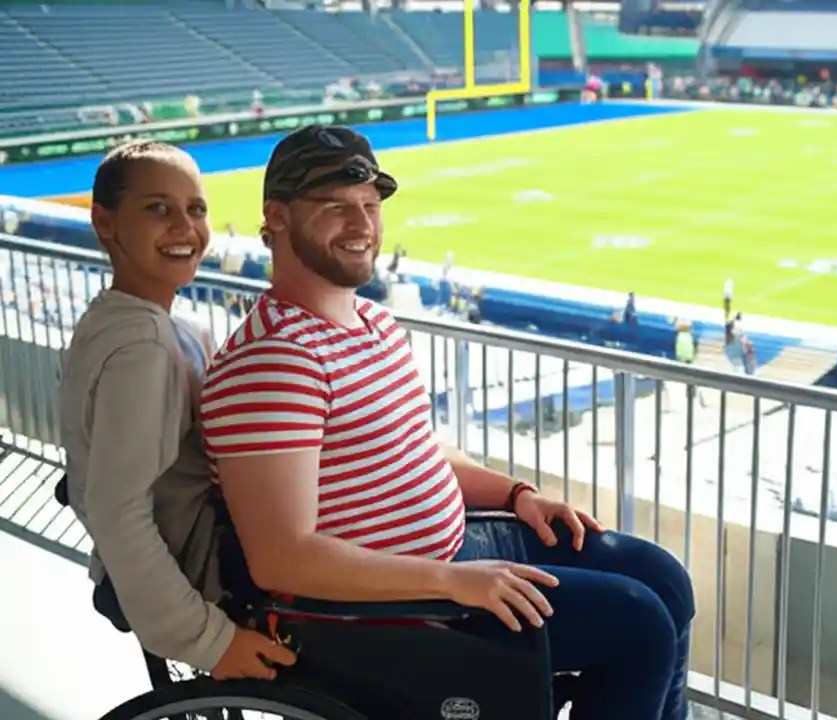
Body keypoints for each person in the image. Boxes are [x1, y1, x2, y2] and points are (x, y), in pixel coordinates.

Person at [199, 125, 694, 720]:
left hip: (457, 553)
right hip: (398, 611)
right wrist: (452, 582)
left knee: (664, 579)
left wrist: (518, 495)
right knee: (636, 623)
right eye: (335, 208)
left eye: (369, 206)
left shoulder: (373, 325)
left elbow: (421, 455)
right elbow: (283, 558)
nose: (361, 225)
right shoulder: (271, 361)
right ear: (276, 217)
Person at [56, 140, 296, 680]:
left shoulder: (129, 323)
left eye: (196, 209)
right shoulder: (142, 347)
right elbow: (118, 509)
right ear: (106, 223)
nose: (185, 227)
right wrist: (207, 640)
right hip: (209, 583)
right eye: (158, 209)